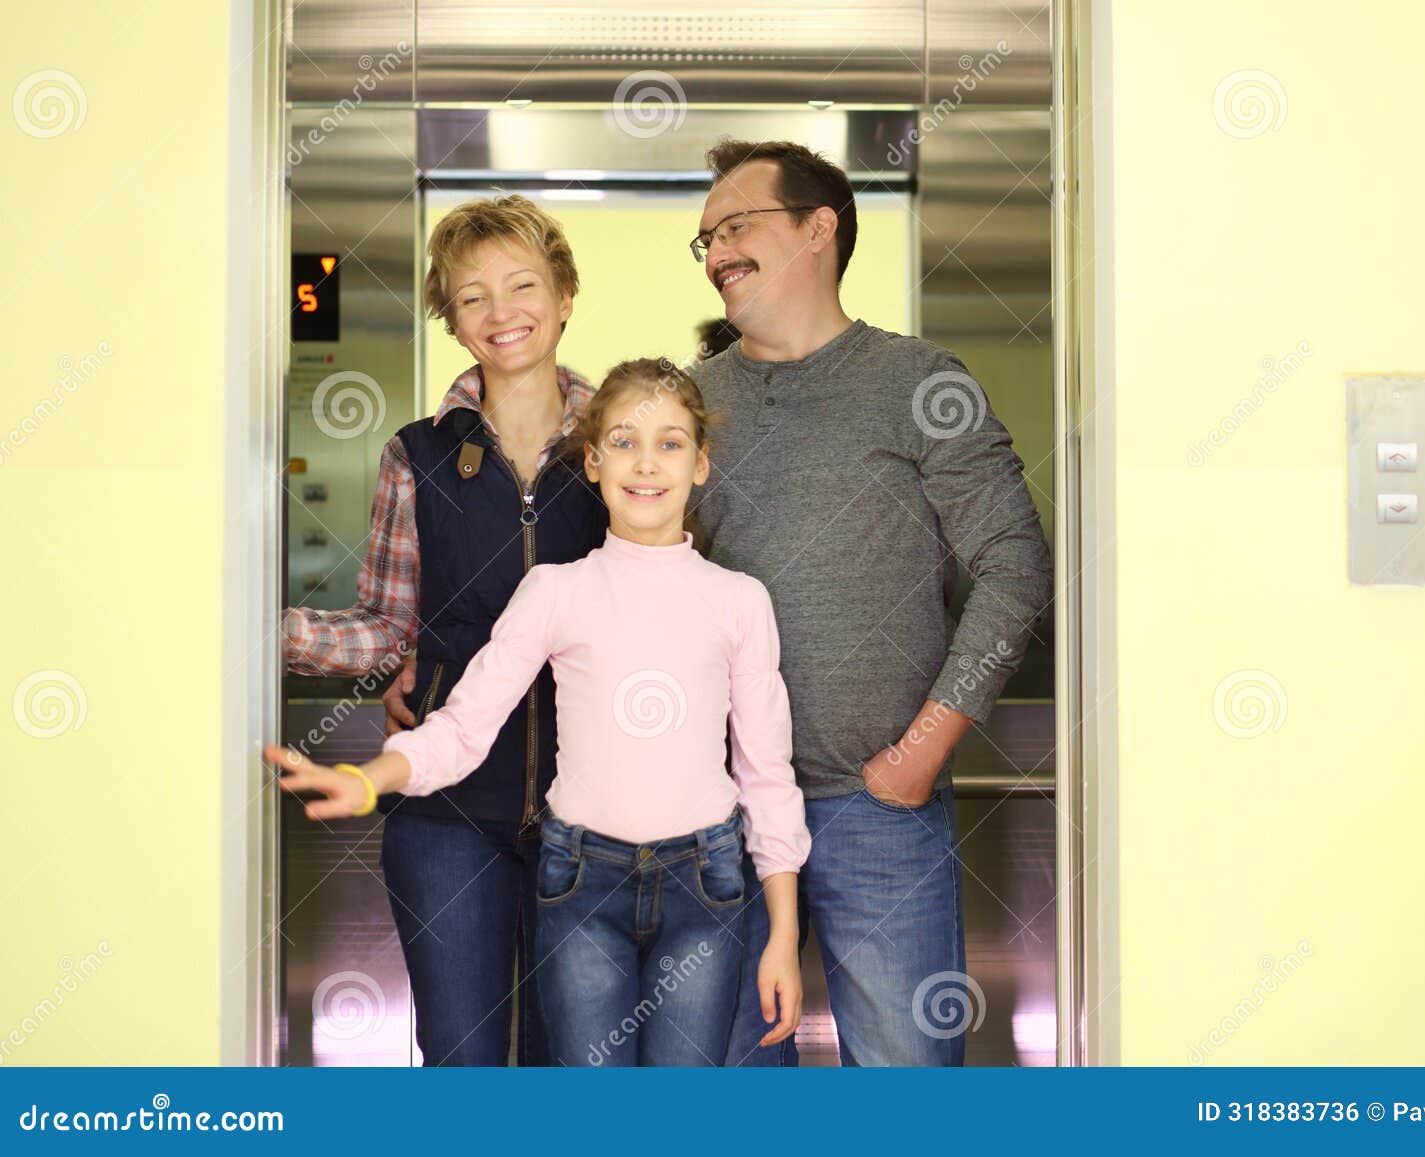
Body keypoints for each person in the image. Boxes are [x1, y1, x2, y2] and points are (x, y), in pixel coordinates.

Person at [269, 359, 808, 1066]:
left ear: (701, 463)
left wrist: (782, 935)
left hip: (705, 888)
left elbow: (768, 776)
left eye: (670, 443)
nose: (646, 464)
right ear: (591, 460)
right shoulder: (556, 591)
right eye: (622, 441)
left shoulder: (740, 601)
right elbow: (465, 726)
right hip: (581, 887)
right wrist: (370, 779)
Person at [687, 139, 1054, 1066]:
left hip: (878, 806)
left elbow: (1014, 565)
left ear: (820, 229)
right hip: (716, 816)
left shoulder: (920, 384)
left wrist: (925, 748)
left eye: (737, 226)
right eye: (705, 241)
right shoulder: (688, 406)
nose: (719, 251)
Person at [281, 194, 606, 1066]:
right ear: (453, 321)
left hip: (598, 818)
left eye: (523, 285)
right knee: (460, 1057)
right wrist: (256, 631)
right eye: (473, 297)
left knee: (572, 1062)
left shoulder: (624, 443)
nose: (502, 313)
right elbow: (389, 630)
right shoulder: (416, 455)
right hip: (449, 813)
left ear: (566, 294)